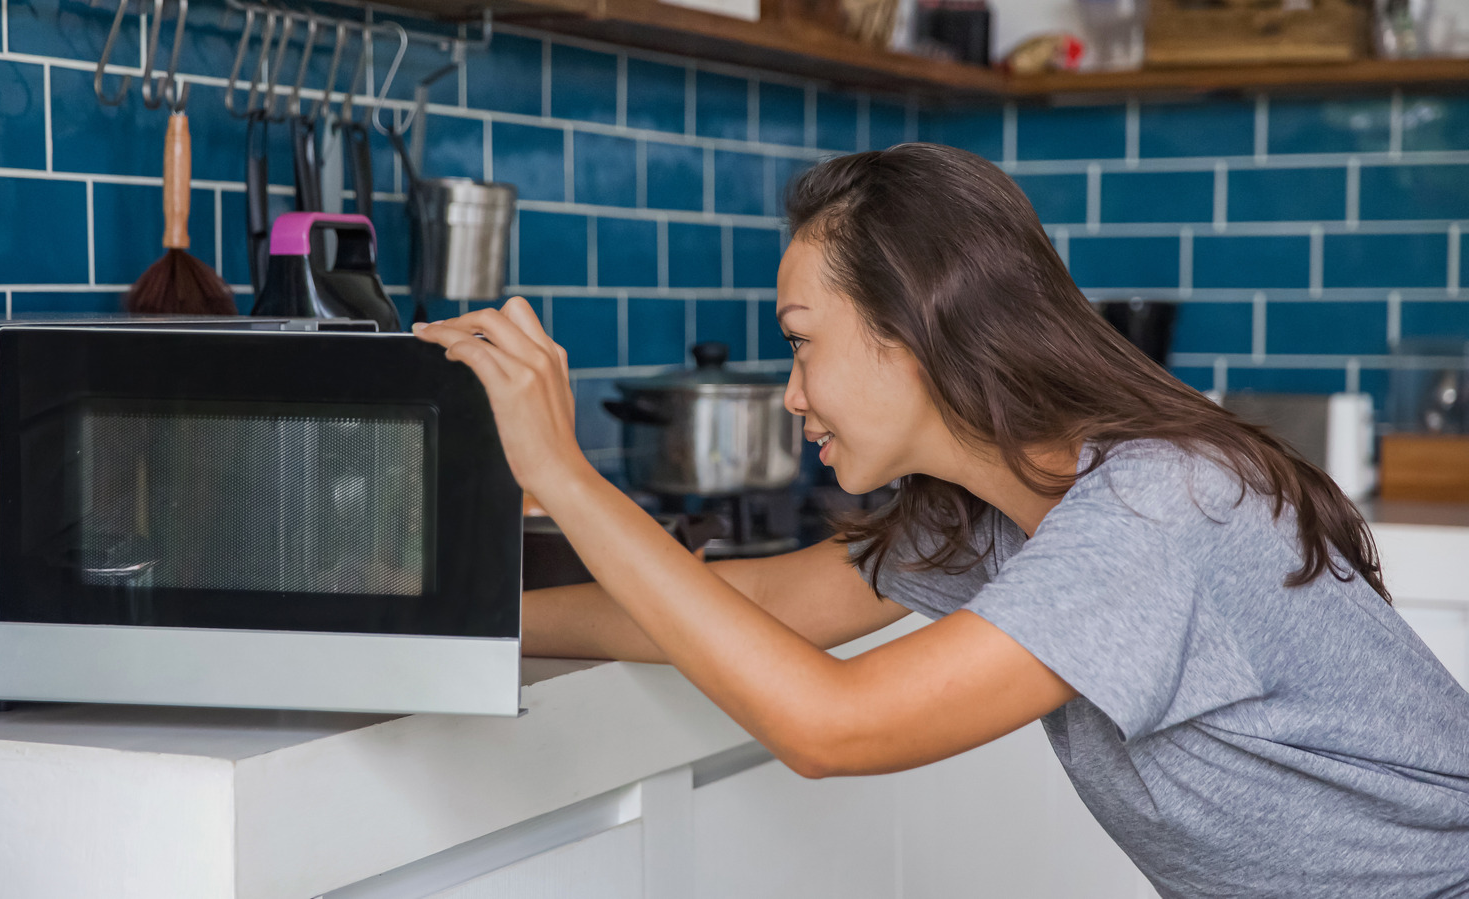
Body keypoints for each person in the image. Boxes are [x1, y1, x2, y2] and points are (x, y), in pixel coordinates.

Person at [412, 143, 1469, 897]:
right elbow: (766, 600)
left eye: (800, 339)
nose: (792, 392)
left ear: (912, 331)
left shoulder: (1155, 509)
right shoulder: (995, 511)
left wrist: (566, 474)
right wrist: (471, 616)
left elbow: (835, 725)